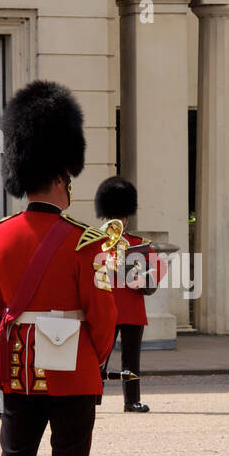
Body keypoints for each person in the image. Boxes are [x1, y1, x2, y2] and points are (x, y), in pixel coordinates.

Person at [0, 80, 131, 456]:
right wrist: (96, 359)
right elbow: (103, 316)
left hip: (19, 367)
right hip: (71, 372)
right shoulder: (85, 241)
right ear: (64, 175)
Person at [93, 175, 162, 413]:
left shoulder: (138, 243)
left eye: (121, 216)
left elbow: (156, 266)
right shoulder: (96, 243)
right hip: (106, 306)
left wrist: (145, 280)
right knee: (99, 357)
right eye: (113, 216)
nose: (118, 220)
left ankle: (131, 400)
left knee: (132, 360)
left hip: (132, 308)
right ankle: (92, 398)